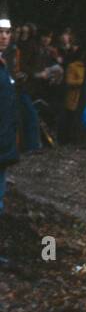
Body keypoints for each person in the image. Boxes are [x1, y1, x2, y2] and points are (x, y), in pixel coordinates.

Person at [0, 19, 20, 246]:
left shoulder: (5, 64)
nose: (4, 36)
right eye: (0, 32)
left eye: (7, 32)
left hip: (4, 142)